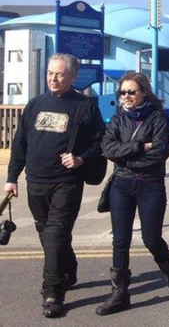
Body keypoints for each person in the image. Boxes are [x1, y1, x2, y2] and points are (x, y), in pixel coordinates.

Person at [4, 54, 105, 318]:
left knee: (55, 235)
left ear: (72, 77)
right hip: (35, 182)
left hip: (66, 183)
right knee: (47, 234)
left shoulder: (85, 106)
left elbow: (100, 141)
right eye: (50, 73)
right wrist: (12, 178)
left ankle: (53, 293)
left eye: (60, 74)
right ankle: (68, 268)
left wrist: (81, 158)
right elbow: (20, 142)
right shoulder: (36, 104)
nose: (53, 78)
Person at [97, 72, 169, 316]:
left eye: (131, 92)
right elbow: (107, 148)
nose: (126, 96)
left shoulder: (159, 118)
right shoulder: (118, 118)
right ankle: (120, 293)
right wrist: (139, 147)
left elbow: (160, 153)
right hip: (121, 185)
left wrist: (125, 157)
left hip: (150, 185)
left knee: (151, 239)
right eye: (122, 92)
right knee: (120, 240)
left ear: (144, 92)